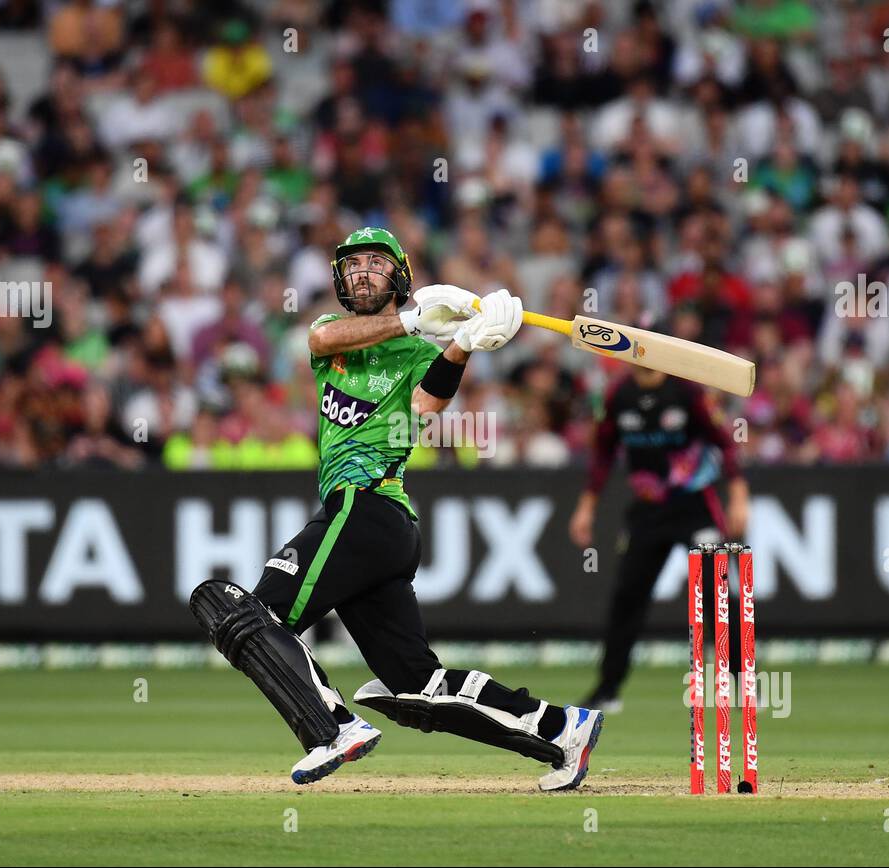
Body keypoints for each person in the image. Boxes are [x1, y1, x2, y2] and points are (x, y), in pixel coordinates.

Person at [188, 227, 604, 790]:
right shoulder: (330, 334)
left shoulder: (416, 353)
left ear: (399, 277)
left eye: (374, 264)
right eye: (352, 264)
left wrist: (465, 343)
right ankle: (561, 729)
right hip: (377, 529)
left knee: (246, 613)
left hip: (368, 507)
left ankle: (331, 728)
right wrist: (413, 319)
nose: (361, 272)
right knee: (415, 685)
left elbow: (426, 407)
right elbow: (320, 343)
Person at [570, 355, 750, 712]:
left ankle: (741, 684)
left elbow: (724, 442)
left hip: (694, 503)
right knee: (627, 596)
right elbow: (603, 454)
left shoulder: (686, 391)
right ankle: (608, 689)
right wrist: (587, 506)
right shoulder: (618, 395)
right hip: (648, 510)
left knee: (717, 590)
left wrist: (739, 495)